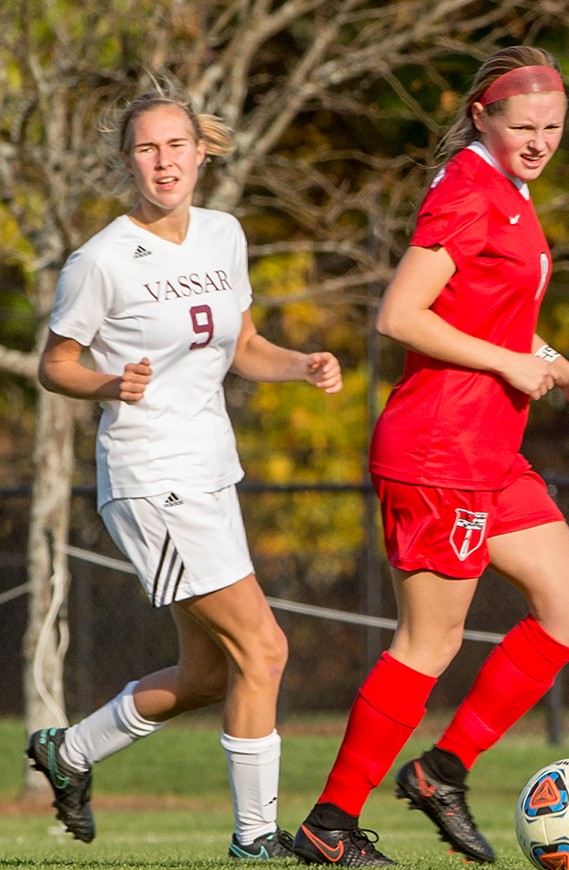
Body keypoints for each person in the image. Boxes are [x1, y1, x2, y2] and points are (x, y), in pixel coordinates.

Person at [290, 45, 569, 867]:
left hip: (490, 450)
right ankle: (330, 826)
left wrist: (563, 371)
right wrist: (512, 366)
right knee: (427, 645)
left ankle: (441, 771)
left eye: (553, 126)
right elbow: (401, 315)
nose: (540, 140)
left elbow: (494, 322)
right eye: (523, 126)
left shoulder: (511, 191)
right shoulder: (471, 192)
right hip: (439, 449)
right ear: (482, 117)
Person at [29, 83, 344, 860]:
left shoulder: (224, 234)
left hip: (210, 471)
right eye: (147, 148)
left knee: (208, 672)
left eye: (176, 145)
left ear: (201, 151)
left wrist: (301, 364)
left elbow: (244, 347)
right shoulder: (100, 259)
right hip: (149, 474)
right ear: (127, 160)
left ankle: (67, 752)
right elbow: (54, 366)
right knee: (264, 649)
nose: (163, 162)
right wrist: (108, 383)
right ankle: (254, 840)